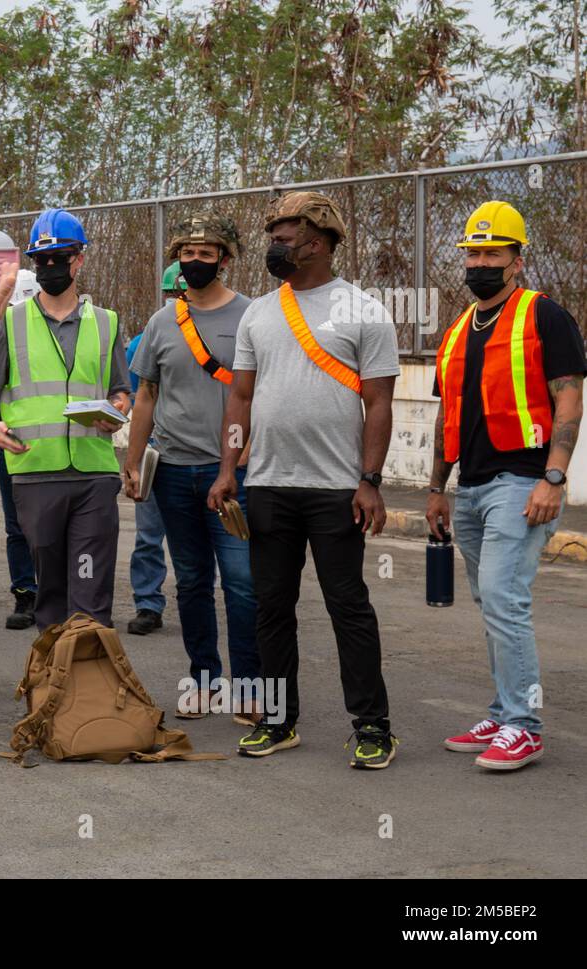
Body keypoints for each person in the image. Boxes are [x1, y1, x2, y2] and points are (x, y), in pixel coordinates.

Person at [208, 191, 400, 769]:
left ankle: (373, 726)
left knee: (349, 605)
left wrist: (369, 480)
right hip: (268, 485)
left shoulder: (363, 311)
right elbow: (240, 398)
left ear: (317, 241)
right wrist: (228, 470)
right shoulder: (260, 313)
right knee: (271, 606)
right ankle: (277, 720)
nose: (273, 245)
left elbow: (380, 401)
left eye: (284, 236)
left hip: (336, 489)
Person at [427, 201, 585, 771]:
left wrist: (553, 477)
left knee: (503, 599)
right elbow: (449, 417)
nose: (480, 263)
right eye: (473, 252)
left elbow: (569, 402)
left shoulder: (545, 317)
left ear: (518, 260)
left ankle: (524, 725)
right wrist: (436, 489)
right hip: (468, 489)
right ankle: (502, 709)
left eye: (493, 253)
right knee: (489, 602)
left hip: (522, 483)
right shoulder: (455, 333)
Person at [124, 214, 261, 723]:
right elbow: (146, 395)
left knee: (244, 582)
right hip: (175, 473)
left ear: (225, 259)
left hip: (235, 475)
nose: (196, 261)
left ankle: (249, 687)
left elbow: (261, 392)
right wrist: (133, 462)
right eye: (188, 253)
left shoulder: (253, 315)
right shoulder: (163, 323)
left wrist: (249, 450)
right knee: (192, 581)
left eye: (207, 253)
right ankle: (205, 679)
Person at [0, 208, 131, 630]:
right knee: (49, 595)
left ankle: (90, 688)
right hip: (35, 471)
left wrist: (117, 410)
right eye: (41, 261)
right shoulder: (10, 322)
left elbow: (121, 389)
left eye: (59, 258)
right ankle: (55, 686)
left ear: (78, 259)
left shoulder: (106, 323)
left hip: (94, 474)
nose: (49, 267)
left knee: (90, 591)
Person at [117, 264, 182, 637]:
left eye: (183, 295)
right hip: (157, 451)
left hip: (204, 452)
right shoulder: (145, 341)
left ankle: (196, 597)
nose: (178, 302)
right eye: (173, 295)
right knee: (148, 534)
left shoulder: (224, 333)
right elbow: (136, 399)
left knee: (200, 538)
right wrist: (134, 459)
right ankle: (147, 603)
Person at [0, 270, 42, 630]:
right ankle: (26, 592)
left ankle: (56, 591)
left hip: (57, 440)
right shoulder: (0, 332)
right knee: (17, 523)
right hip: (11, 440)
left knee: (53, 523)